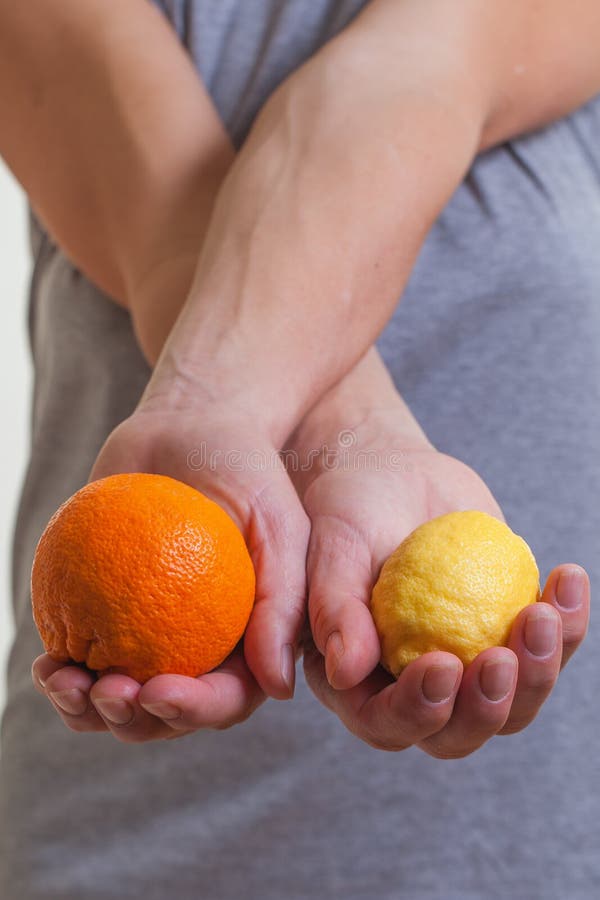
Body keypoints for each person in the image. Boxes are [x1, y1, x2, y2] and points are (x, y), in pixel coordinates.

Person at [0, 0, 597, 897]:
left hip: (531, 840)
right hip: (128, 837)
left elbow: (409, 75)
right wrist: (312, 432)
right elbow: (164, 214)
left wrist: (260, 417)